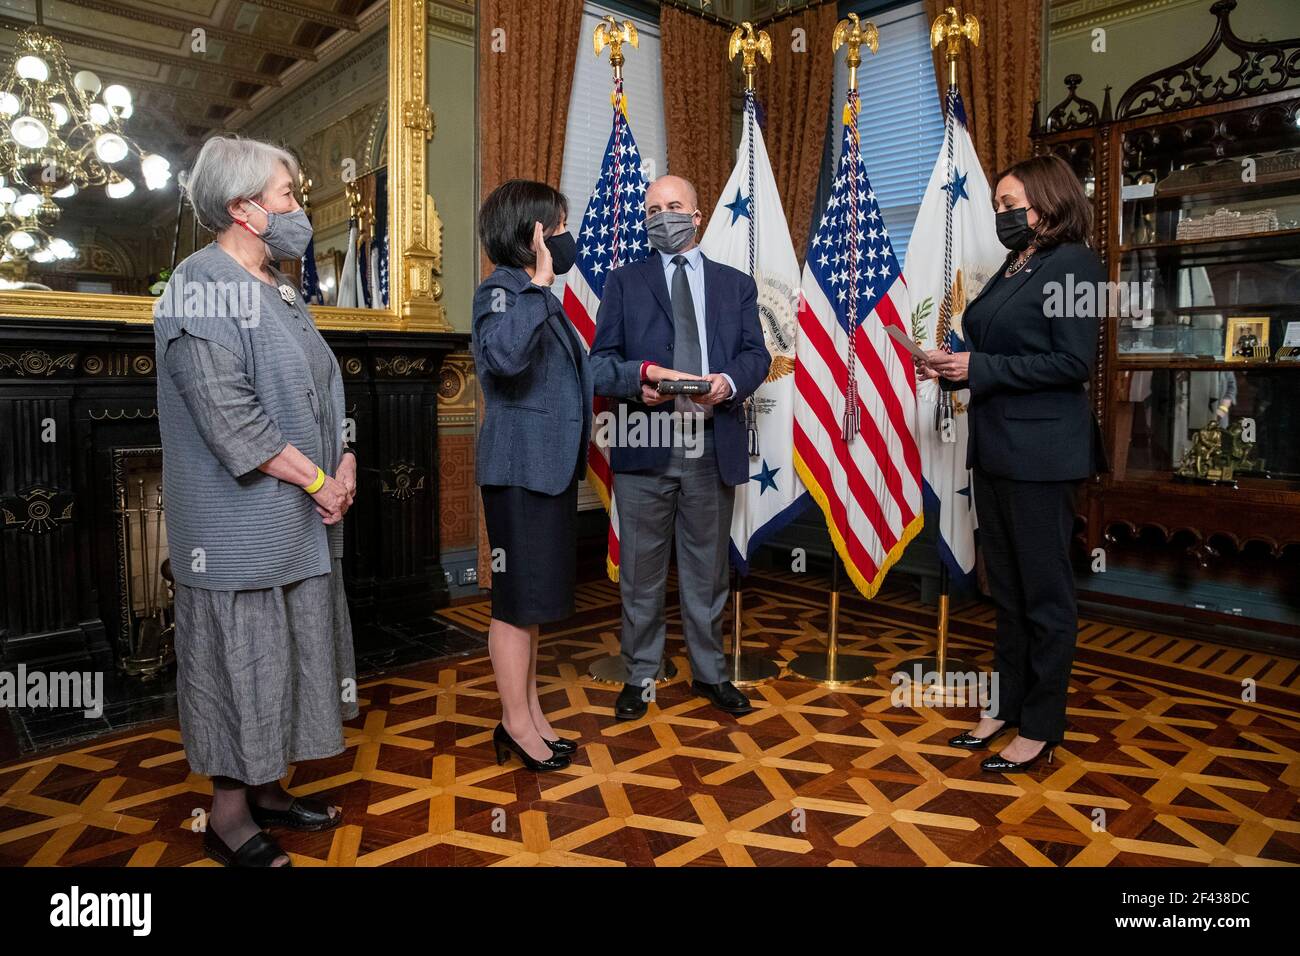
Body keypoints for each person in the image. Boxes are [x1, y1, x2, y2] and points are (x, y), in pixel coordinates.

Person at [155, 136, 357, 866]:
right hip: (236, 530)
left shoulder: (279, 287)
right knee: (242, 669)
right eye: (288, 196)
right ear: (243, 208)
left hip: (301, 520)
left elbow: (325, 387)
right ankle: (229, 817)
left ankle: (270, 789)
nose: (299, 209)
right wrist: (317, 479)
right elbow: (232, 421)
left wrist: (348, 458)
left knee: (291, 659)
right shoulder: (195, 287)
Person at [471, 180, 686, 771]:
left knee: (532, 603)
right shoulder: (503, 291)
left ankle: (529, 714)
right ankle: (515, 724)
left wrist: (636, 378)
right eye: (559, 227)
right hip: (519, 472)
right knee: (514, 604)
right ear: (533, 234)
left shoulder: (536, 297)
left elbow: (577, 371)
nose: (569, 239)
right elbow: (505, 359)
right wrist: (540, 284)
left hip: (546, 471)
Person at [919, 154, 1105, 773]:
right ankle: (1003, 706)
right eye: (997, 205)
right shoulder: (1015, 264)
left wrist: (980, 368)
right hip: (996, 449)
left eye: (1009, 203)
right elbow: (999, 348)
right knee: (1008, 593)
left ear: (1047, 201)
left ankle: (1043, 725)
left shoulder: (1075, 263)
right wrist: (953, 364)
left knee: (1045, 596)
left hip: (1042, 456)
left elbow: (1072, 364)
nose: (1000, 214)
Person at [590, 175, 771, 721]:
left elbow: (755, 355)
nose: (662, 216)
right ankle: (640, 675)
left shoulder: (734, 284)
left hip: (711, 447)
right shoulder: (624, 283)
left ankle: (710, 674)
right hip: (645, 445)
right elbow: (600, 363)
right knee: (642, 573)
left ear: (696, 215)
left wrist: (728, 384)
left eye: (673, 207)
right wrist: (638, 377)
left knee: (706, 572)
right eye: (652, 209)